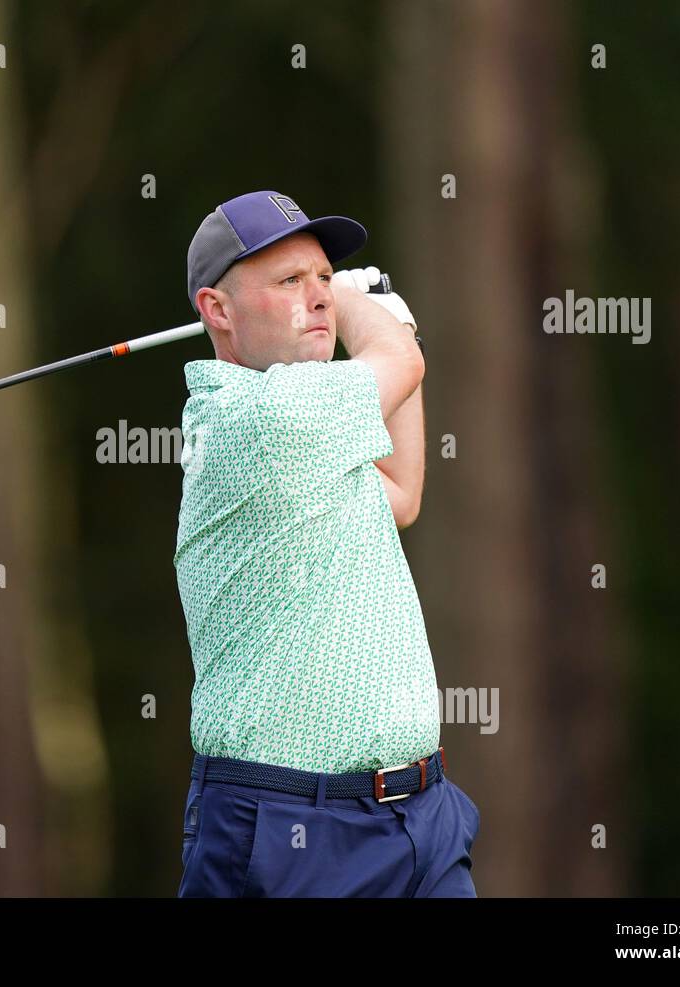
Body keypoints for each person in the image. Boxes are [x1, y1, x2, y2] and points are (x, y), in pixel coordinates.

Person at [173, 189, 479, 897]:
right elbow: (399, 363)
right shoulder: (261, 422)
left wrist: (394, 323)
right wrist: (362, 307)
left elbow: (400, 491)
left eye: (321, 277)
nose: (316, 298)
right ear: (217, 310)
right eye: (289, 282)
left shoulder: (314, 420)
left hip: (420, 817)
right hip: (288, 830)